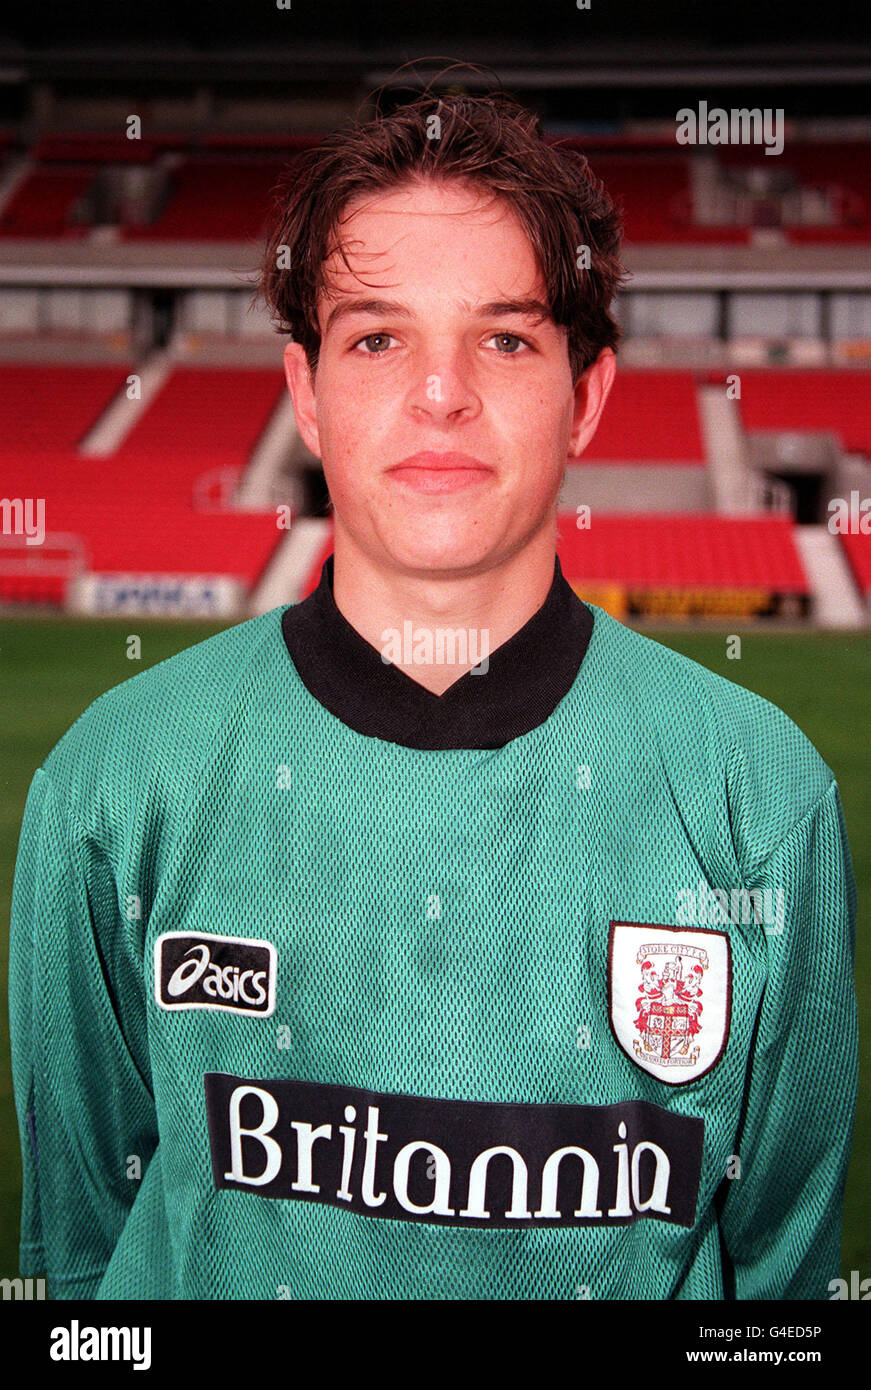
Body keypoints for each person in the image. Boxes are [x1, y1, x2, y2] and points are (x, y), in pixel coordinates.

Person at [9, 86, 857, 1300]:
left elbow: (779, 1281)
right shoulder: (113, 780)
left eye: (505, 338)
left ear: (589, 395)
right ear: (304, 391)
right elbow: (84, 1257)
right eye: (376, 337)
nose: (441, 393)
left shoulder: (756, 795)